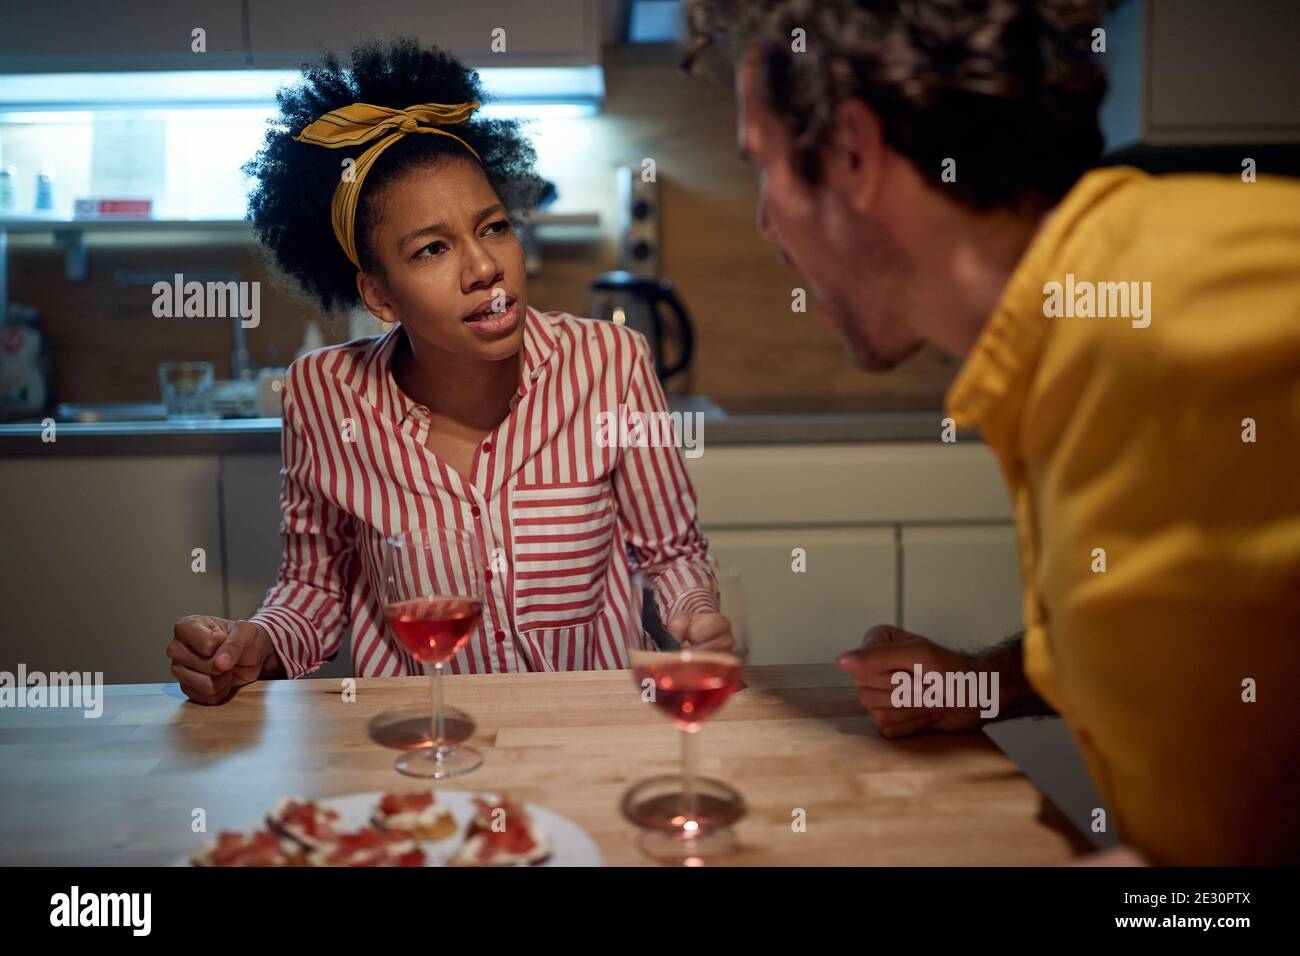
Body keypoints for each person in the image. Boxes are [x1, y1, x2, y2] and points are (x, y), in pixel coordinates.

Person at [686, 0, 1300, 865]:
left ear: (855, 155)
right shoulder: (1052, 342)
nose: (765, 229)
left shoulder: (1189, 302)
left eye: (764, 170)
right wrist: (980, 684)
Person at [167, 39, 731, 703]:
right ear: (379, 295)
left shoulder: (610, 364)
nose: (484, 268)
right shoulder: (325, 397)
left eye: (492, 228)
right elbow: (314, 589)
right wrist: (253, 644)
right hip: (414, 756)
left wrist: (695, 613)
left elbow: (671, 552)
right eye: (432, 249)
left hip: (584, 741)